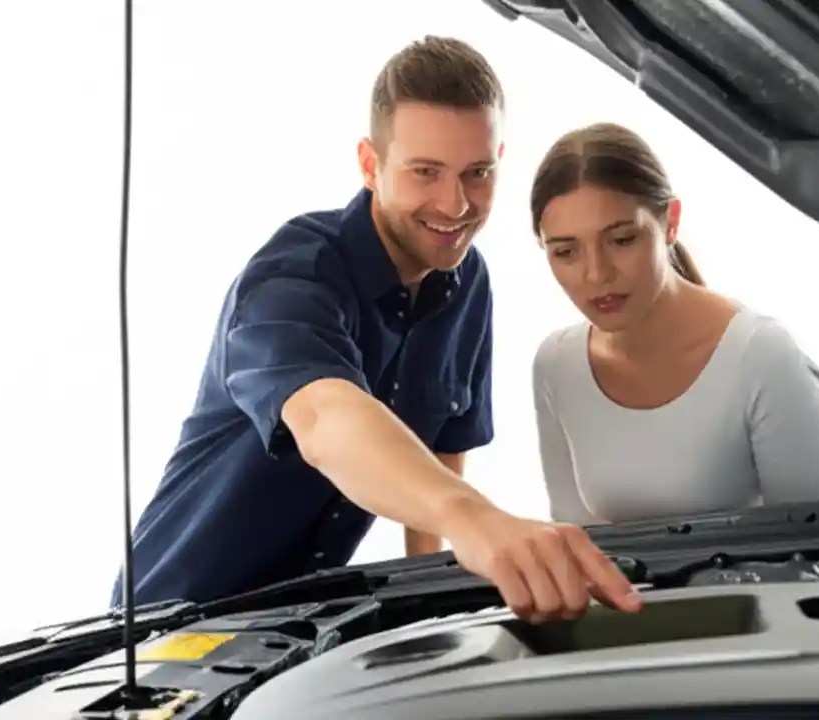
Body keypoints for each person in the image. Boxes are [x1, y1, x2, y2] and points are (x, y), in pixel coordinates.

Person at [110, 38, 642, 623]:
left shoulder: (467, 282)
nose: (456, 203)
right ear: (370, 165)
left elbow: (443, 450)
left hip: (298, 622)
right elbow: (325, 417)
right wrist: (477, 519)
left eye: (478, 172)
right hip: (172, 621)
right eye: (426, 173)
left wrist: (439, 598)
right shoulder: (291, 278)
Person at [529, 122, 819, 526]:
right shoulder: (557, 364)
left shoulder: (764, 358)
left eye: (622, 240)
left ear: (670, 222)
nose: (596, 274)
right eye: (566, 251)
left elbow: (811, 543)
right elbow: (575, 543)